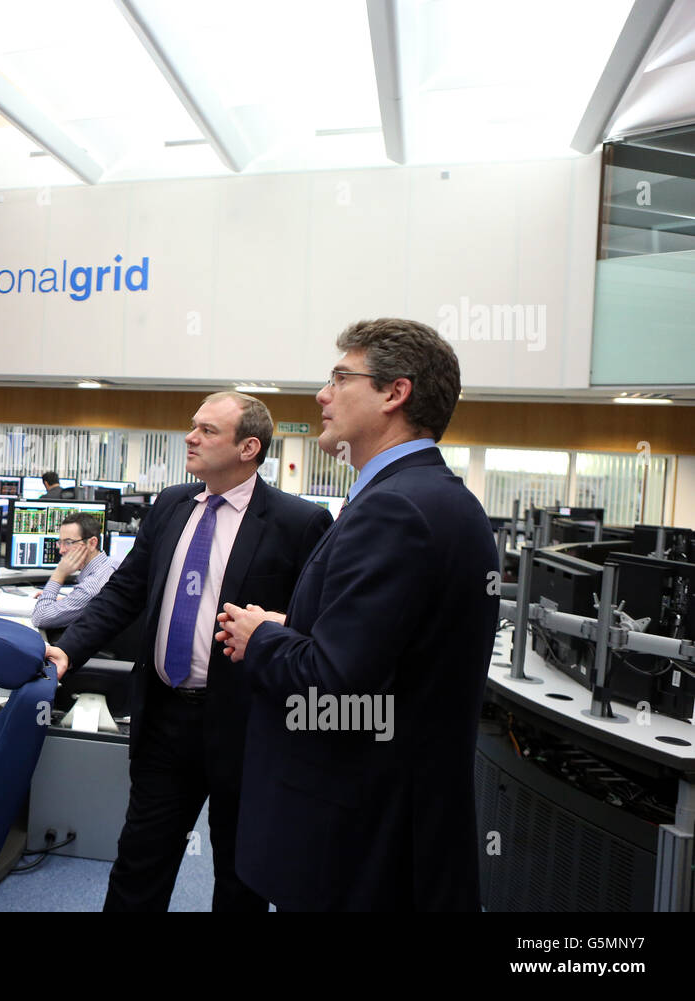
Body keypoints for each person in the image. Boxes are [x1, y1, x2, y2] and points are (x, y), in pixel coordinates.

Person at [216, 318, 499, 911]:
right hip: (399, 824)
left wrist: (262, 636)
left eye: (340, 378)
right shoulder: (434, 496)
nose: (323, 395)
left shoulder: (394, 507)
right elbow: (387, 656)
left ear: (395, 393)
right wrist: (294, 629)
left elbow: (335, 685)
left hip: (360, 839)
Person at [44, 392, 332, 911]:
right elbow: (126, 592)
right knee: (139, 863)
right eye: (192, 425)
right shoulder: (172, 504)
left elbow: (314, 623)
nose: (190, 437)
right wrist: (69, 650)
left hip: (247, 726)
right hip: (164, 716)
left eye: (207, 430)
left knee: (241, 877)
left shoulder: (298, 521)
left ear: (248, 448)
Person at [30, 513, 114, 629]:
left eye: (68, 542)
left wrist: (59, 573)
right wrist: (69, 600)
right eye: (60, 542)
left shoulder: (91, 588)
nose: (61, 550)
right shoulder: (110, 565)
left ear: (92, 543)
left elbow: (40, 618)